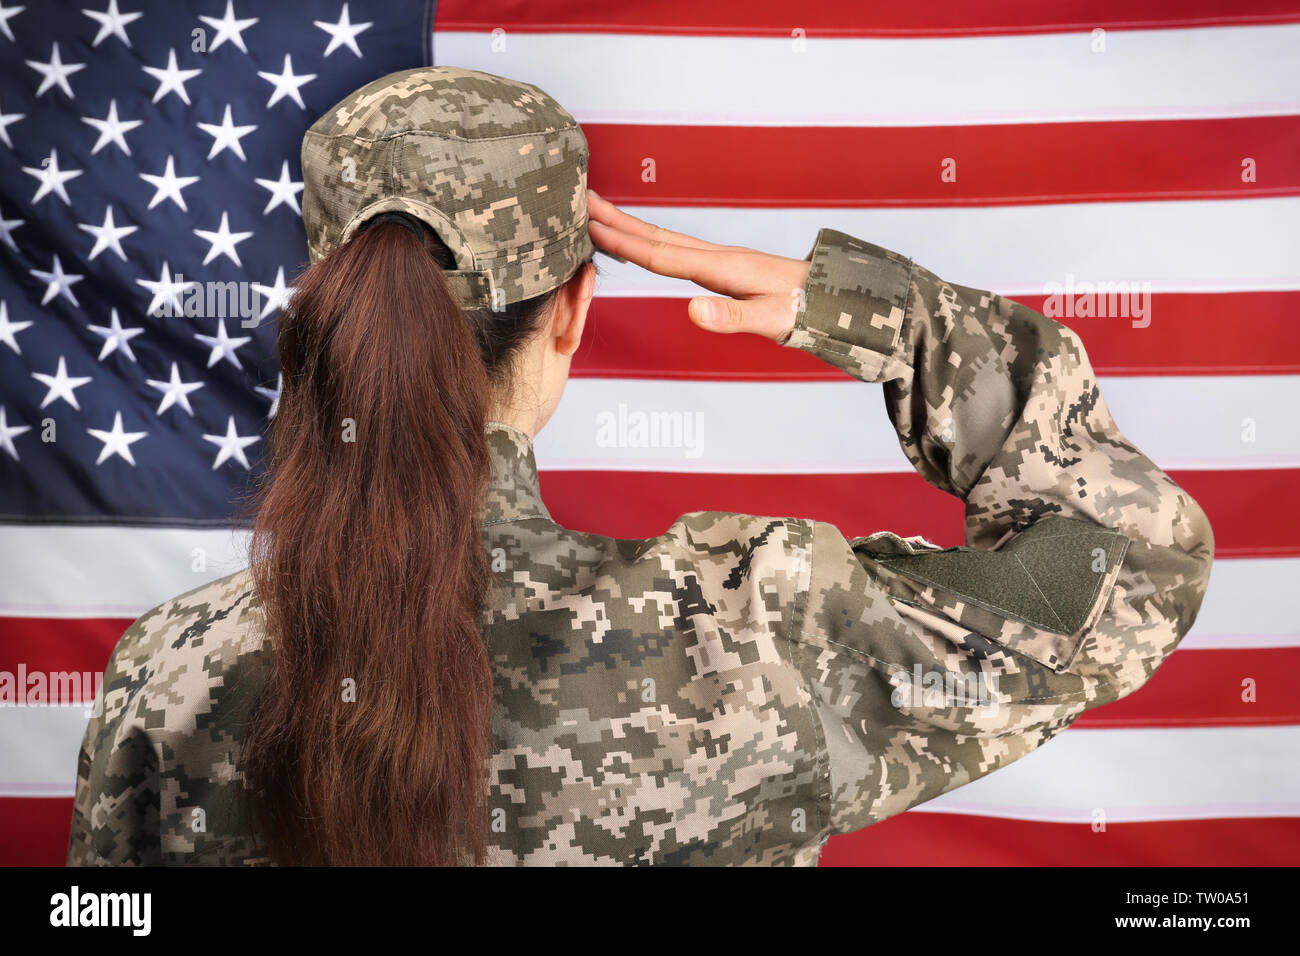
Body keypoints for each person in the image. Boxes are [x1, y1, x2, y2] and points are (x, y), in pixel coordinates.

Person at [67, 66, 1213, 867]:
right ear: (572, 310)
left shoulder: (173, 672)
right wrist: (885, 317)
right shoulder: (749, 627)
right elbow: (1133, 566)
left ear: (320, 309)